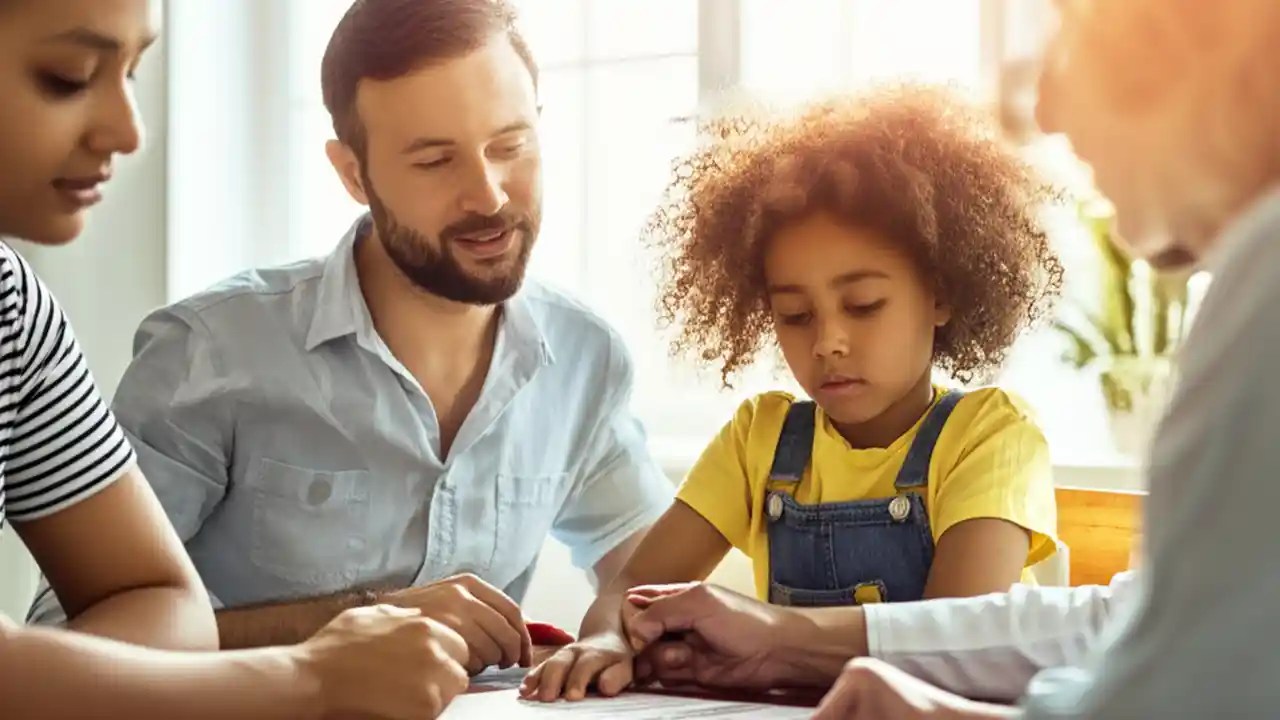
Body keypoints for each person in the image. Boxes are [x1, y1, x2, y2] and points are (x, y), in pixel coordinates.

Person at [625, 1, 1280, 717]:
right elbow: (1141, 634)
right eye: (796, 312)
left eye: (1074, 41)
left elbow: (1182, 677)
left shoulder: (1264, 275)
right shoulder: (1256, 272)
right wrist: (792, 643)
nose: (1048, 108)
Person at [28, 0, 674, 676]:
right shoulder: (210, 352)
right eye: (434, 161)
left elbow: (651, 570)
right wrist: (359, 619)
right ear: (352, 174)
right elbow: (71, 640)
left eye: (510, 146)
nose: (487, 196)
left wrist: (612, 632)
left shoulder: (583, 356)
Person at [0, 0, 475, 717]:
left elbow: (158, 598)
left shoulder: (15, 312)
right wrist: (308, 679)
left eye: (133, 71)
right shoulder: (208, 341)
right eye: (67, 76)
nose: (129, 131)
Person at [522, 85, 1063, 703]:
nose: (828, 342)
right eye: (796, 315)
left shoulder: (991, 436)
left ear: (940, 295)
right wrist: (607, 640)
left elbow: (951, 638)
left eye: (863, 306)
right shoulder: (762, 437)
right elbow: (630, 589)